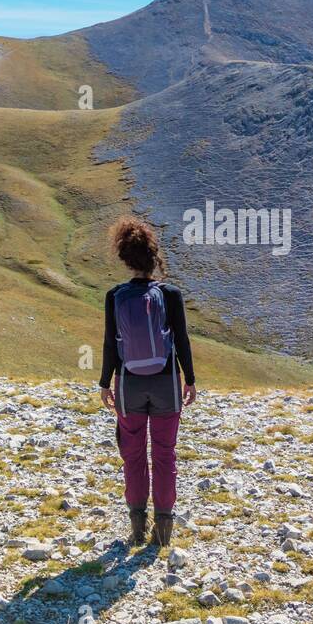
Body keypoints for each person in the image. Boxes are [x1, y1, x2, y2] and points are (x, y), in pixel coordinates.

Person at [99, 217, 196, 546]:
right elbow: (181, 340)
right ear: (154, 257)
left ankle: (137, 529)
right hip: (166, 383)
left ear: (126, 259)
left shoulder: (115, 296)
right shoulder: (170, 294)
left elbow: (110, 343)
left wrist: (104, 383)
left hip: (129, 385)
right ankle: (163, 534)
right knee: (165, 455)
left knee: (134, 456)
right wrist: (191, 380)